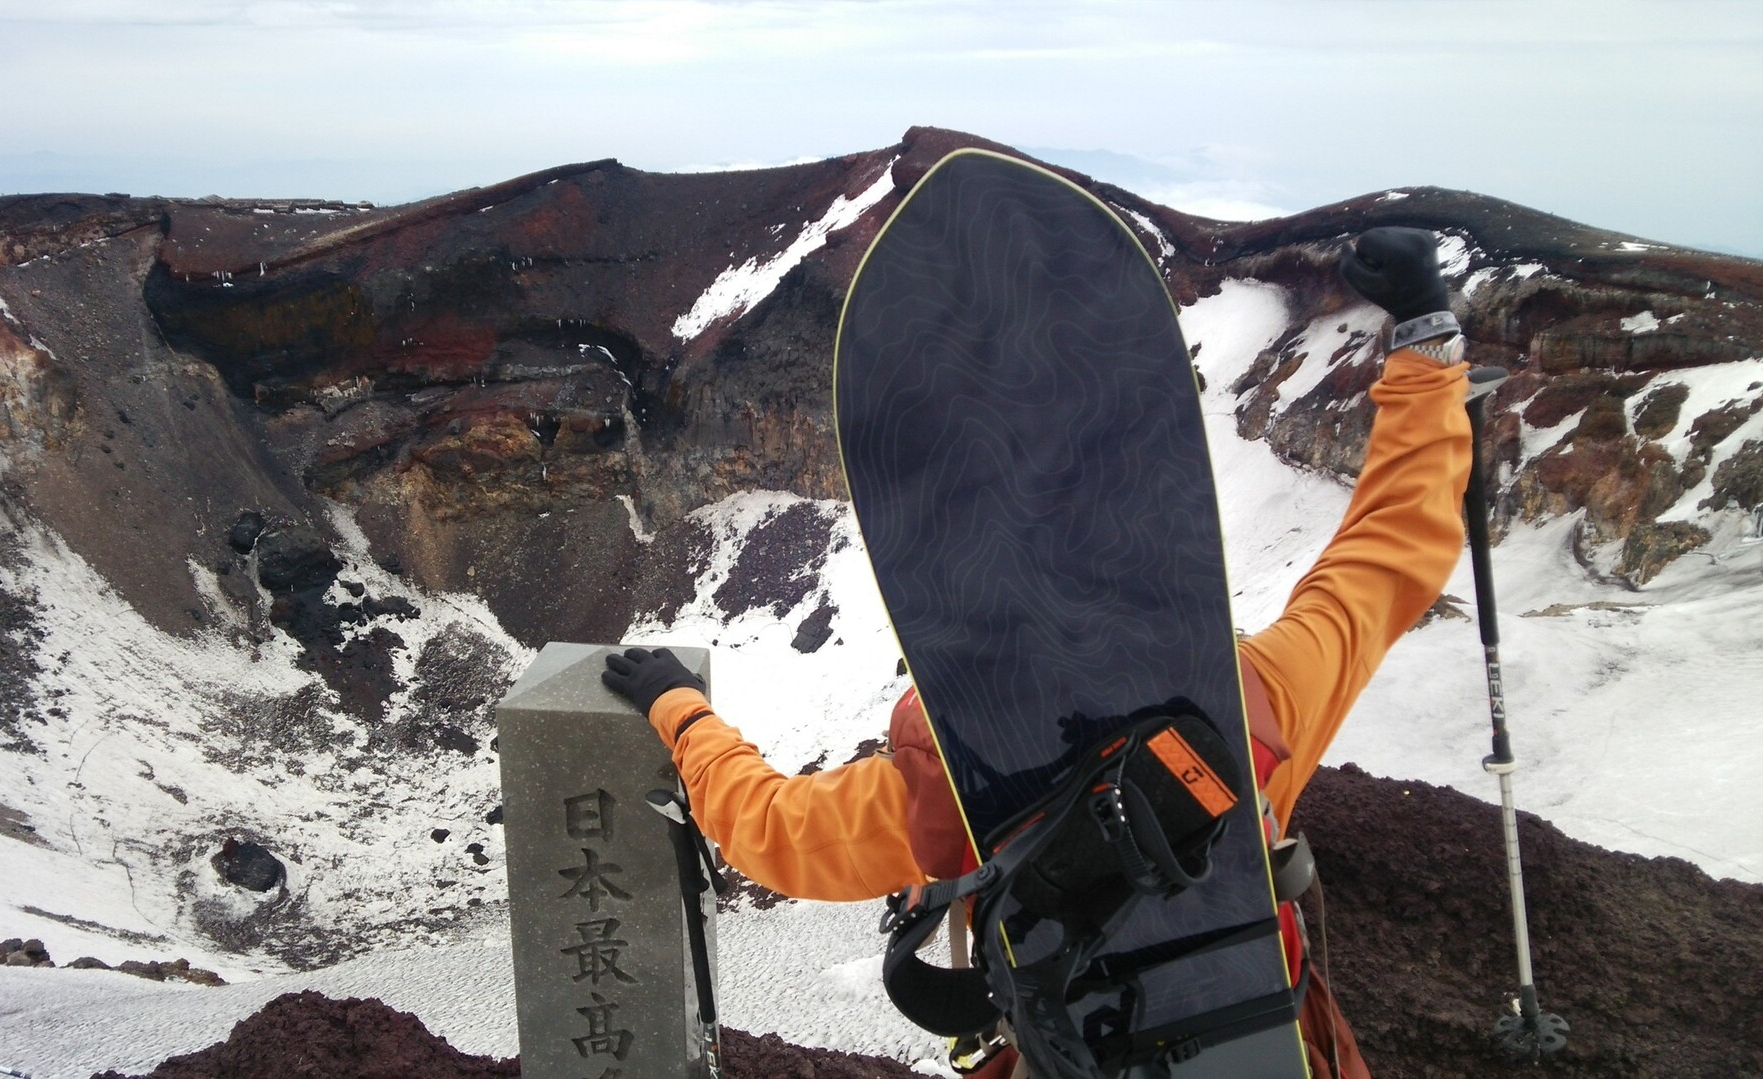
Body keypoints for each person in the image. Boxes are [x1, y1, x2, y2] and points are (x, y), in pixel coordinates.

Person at [603, 227, 1472, 1079]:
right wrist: (1427, 336)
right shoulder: (1253, 701)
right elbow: (1388, 557)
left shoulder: (947, 784)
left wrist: (678, 708)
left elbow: (768, 832)